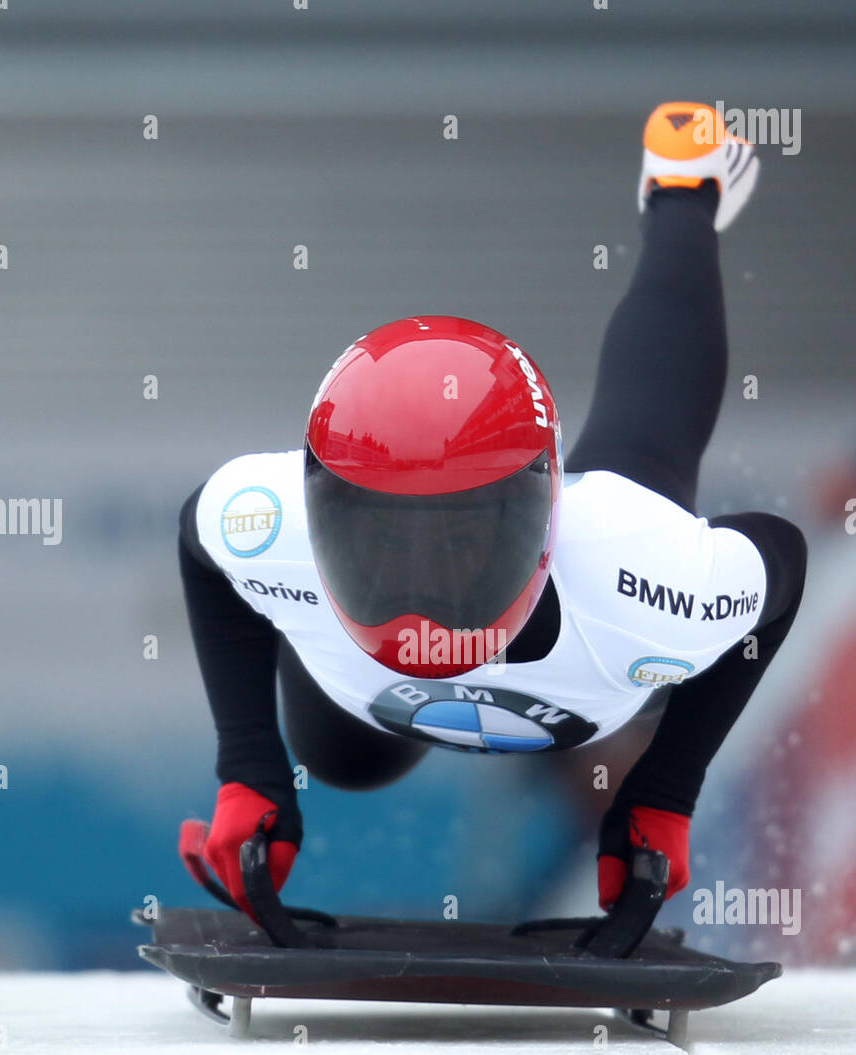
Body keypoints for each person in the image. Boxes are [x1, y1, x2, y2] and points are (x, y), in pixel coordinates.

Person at [178, 102, 807, 922]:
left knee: (646, 452)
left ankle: (682, 188)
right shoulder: (269, 527)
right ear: (318, 507)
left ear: (543, 514)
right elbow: (203, 546)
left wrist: (663, 788)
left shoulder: (636, 564)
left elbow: (781, 564)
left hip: (556, 671)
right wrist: (251, 768)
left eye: (456, 537)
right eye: (380, 533)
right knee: (340, 760)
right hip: (373, 710)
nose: (422, 579)